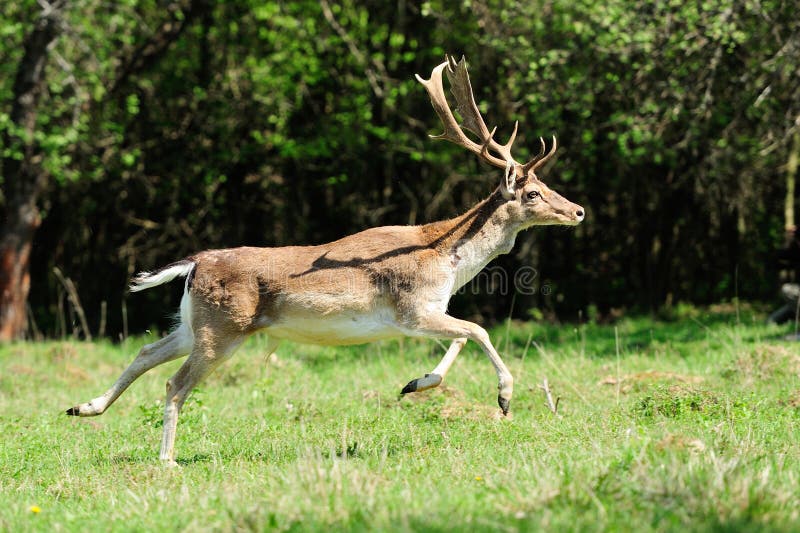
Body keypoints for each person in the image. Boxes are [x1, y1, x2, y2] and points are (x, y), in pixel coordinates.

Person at [768, 226, 800, 325]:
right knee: (771, 321)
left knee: (787, 289)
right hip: (798, 300)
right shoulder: (795, 251)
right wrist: (788, 241)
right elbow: (775, 260)